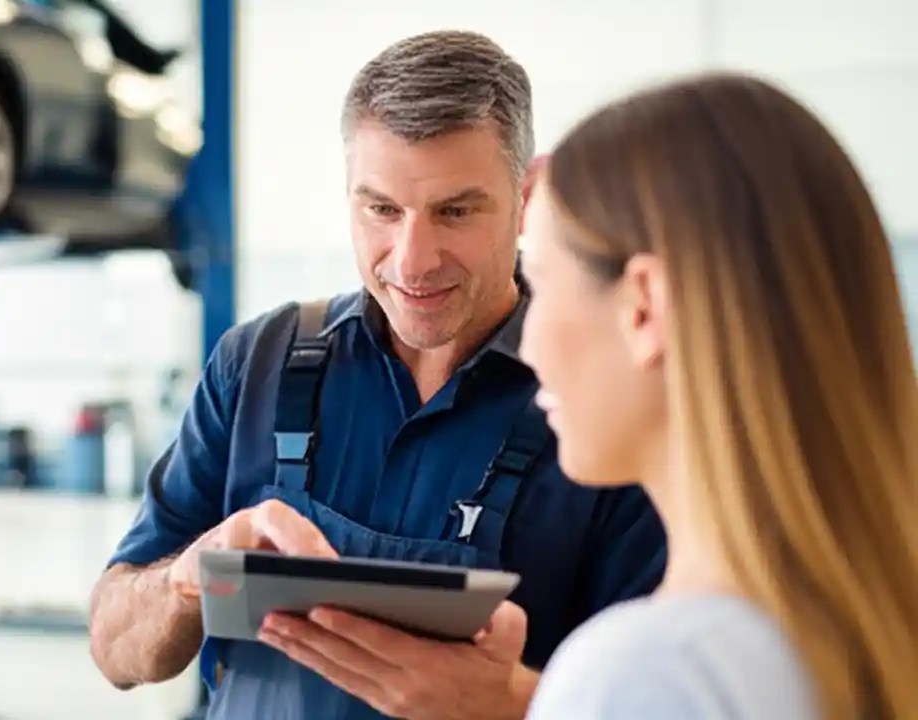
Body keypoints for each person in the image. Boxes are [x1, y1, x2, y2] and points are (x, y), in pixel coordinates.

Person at [88, 31, 667, 720]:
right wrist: (192, 576)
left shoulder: (606, 402)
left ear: (528, 196)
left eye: (455, 210)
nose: (413, 260)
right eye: (382, 210)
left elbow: (664, 699)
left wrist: (513, 705)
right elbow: (115, 649)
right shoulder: (258, 364)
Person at [511, 73, 918, 719]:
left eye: (539, 282)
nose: (526, 346)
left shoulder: (643, 675)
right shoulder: (875, 636)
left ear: (645, 305)